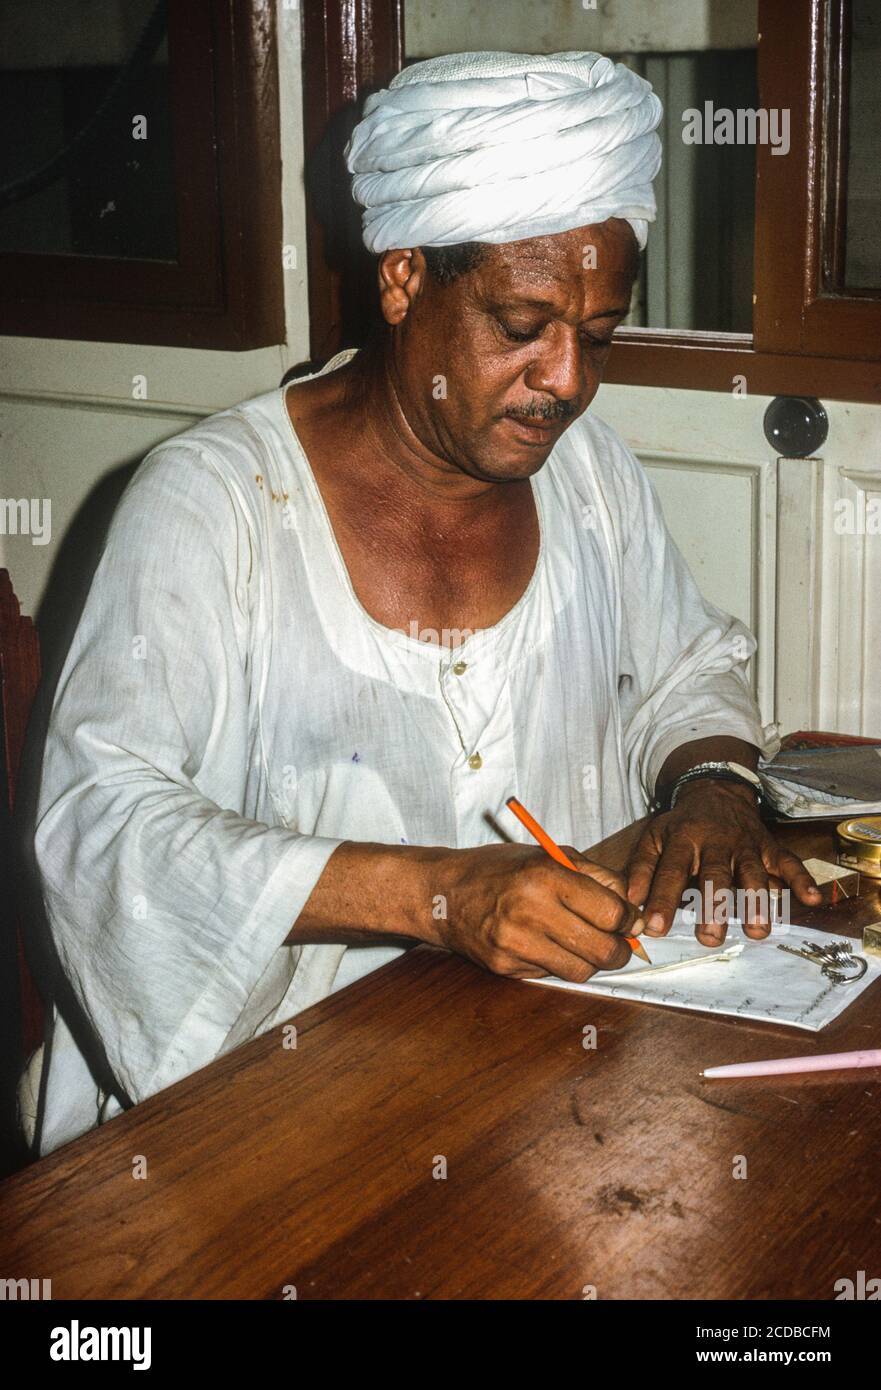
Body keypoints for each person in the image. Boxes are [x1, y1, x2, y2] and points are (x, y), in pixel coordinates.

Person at [23, 50, 819, 1156]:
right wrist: (443, 894)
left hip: (527, 1062)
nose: (566, 383)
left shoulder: (586, 477)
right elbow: (102, 830)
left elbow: (684, 667)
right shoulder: (216, 505)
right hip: (264, 1105)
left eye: (595, 334)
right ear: (403, 281)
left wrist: (712, 783)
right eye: (520, 324)